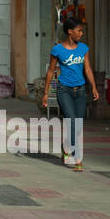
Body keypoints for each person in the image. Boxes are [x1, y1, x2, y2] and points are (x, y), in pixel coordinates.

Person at [42, 20, 98, 170]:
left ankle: (66, 146)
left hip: (80, 91)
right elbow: (50, 71)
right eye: (79, 30)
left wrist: (93, 87)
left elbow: (87, 69)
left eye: (82, 30)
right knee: (72, 121)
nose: (82, 33)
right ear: (70, 31)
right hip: (64, 90)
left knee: (78, 125)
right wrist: (46, 93)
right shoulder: (57, 50)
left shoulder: (84, 48)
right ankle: (76, 157)